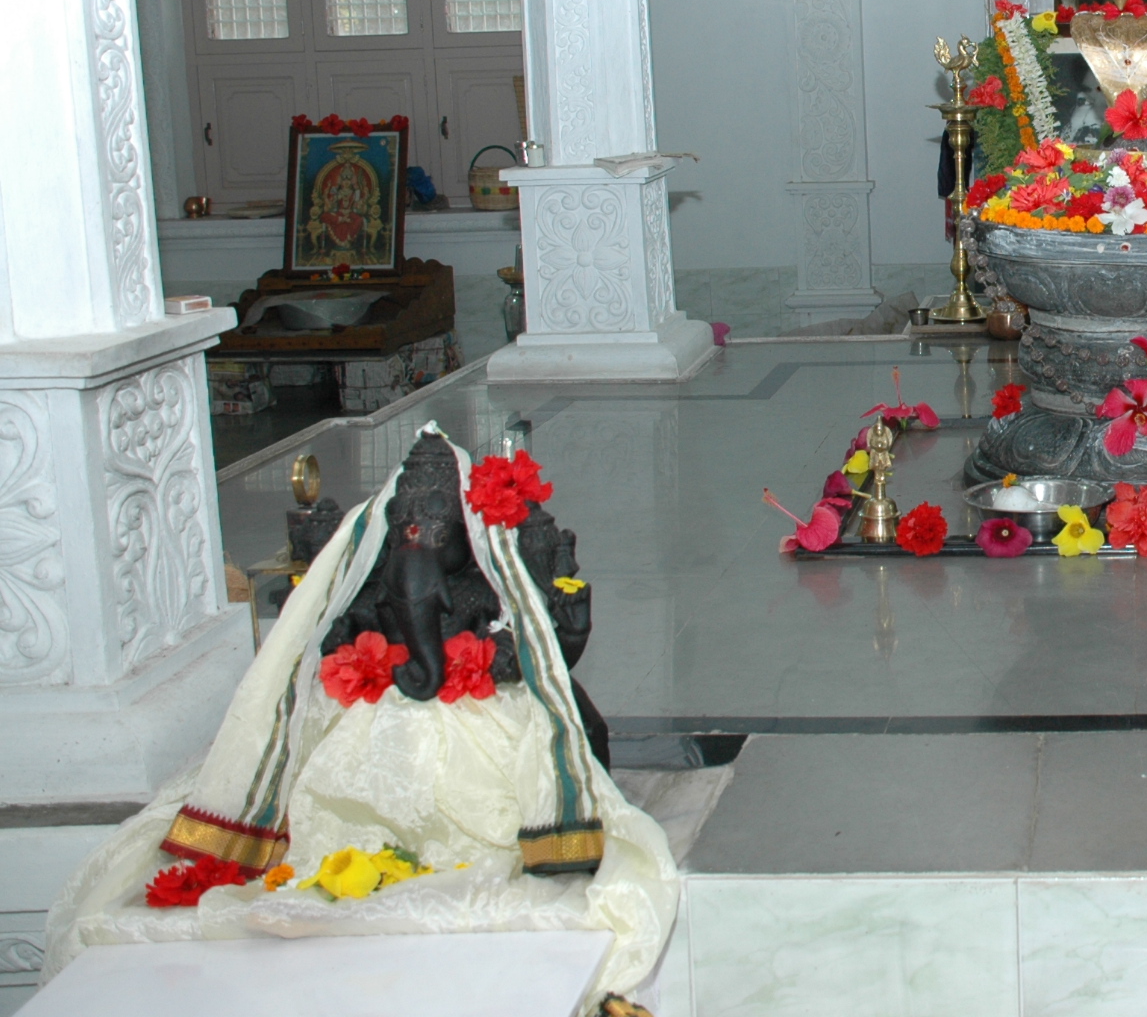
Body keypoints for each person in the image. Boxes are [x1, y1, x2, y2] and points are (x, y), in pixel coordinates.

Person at [43, 425, 677, 1003]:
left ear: (465, 528)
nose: (416, 540)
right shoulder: (382, 574)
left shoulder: (485, 576)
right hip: (381, 717)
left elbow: (533, 650)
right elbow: (337, 633)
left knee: (536, 743)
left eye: (433, 528)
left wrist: (500, 654)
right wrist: (371, 651)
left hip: (469, 714)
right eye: (407, 525)